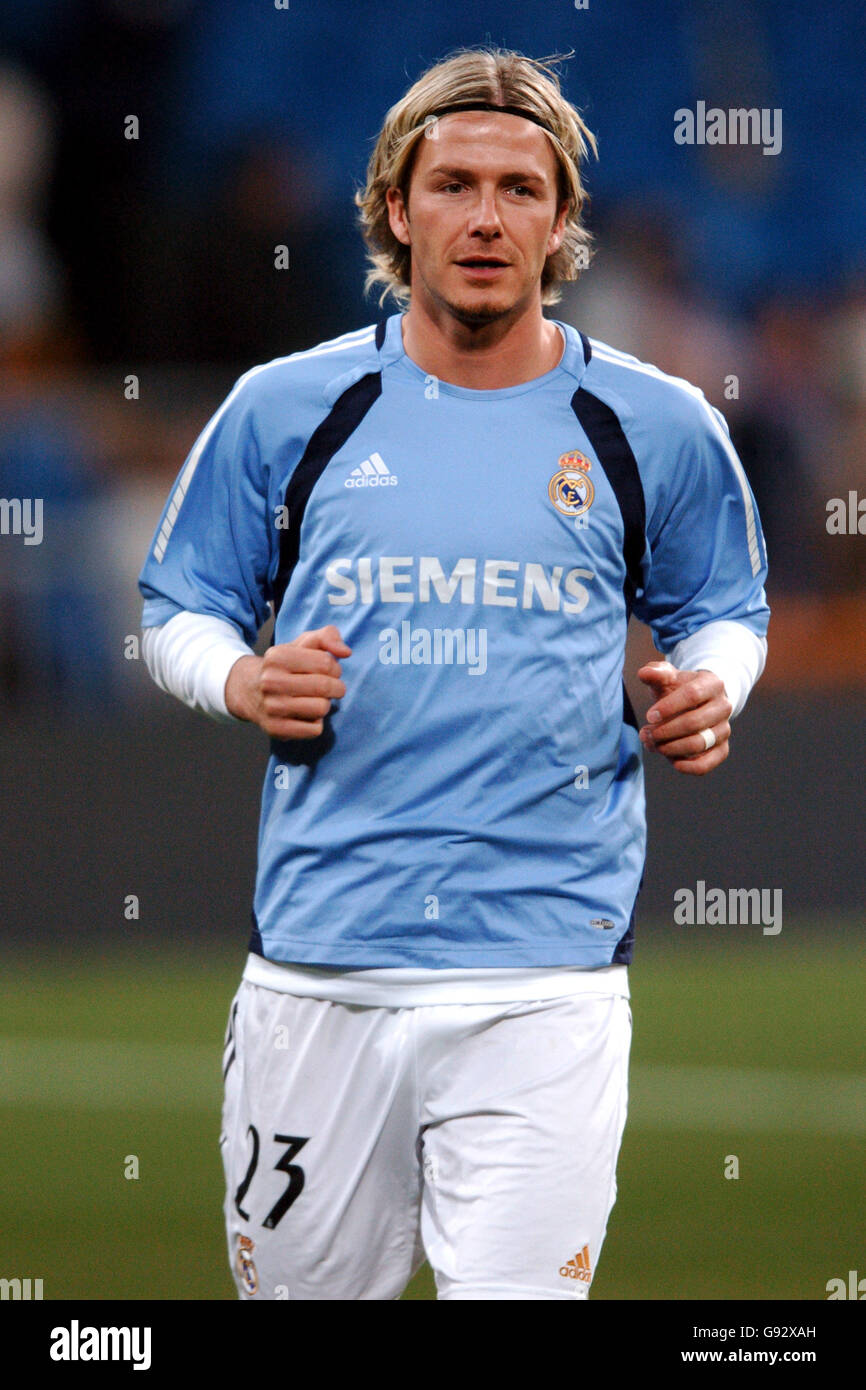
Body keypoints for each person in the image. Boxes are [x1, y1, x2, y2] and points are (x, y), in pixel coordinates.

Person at [138, 48, 769, 1301]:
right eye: (453, 185)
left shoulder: (656, 424)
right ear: (393, 208)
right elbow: (177, 606)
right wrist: (239, 680)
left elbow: (724, 610)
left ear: (559, 221)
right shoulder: (284, 408)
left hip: (545, 984)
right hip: (321, 976)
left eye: (519, 190)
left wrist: (714, 685)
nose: (485, 217)